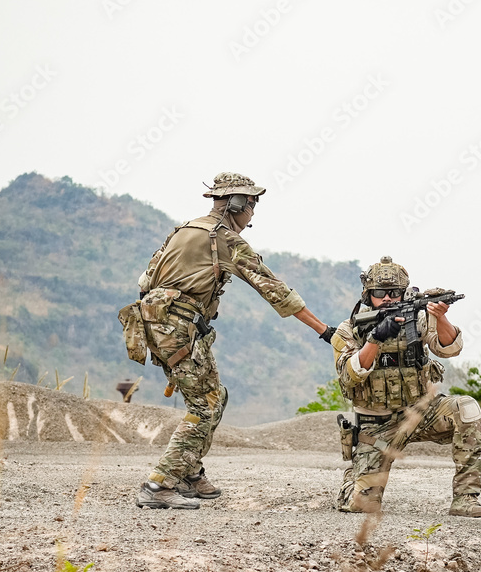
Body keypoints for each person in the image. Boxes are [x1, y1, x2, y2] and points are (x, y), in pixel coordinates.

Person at [133, 172, 335, 509]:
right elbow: (274, 289)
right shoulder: (224, 239)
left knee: (215, 396)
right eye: (252, 205)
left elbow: (145, 280)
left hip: (158, 324)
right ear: (237, 204)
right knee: (204, 404)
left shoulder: (183, 230)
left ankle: (189, 473)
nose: (253, 214)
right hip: (178, 328)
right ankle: (159, 485)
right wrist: (323, 329)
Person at [332, 257, 481, 517]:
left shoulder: (417, 319)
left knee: (467, 408)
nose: (387, 299)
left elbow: (450, 348)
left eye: (394, 293)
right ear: (367, 295)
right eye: (379, 293)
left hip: (422, 412)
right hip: (377, 426)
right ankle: (354, 476)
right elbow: (350, 376)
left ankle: (465, 499)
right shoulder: (349, 330)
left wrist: (440, 318)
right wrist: (375, 338)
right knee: (361, 505)